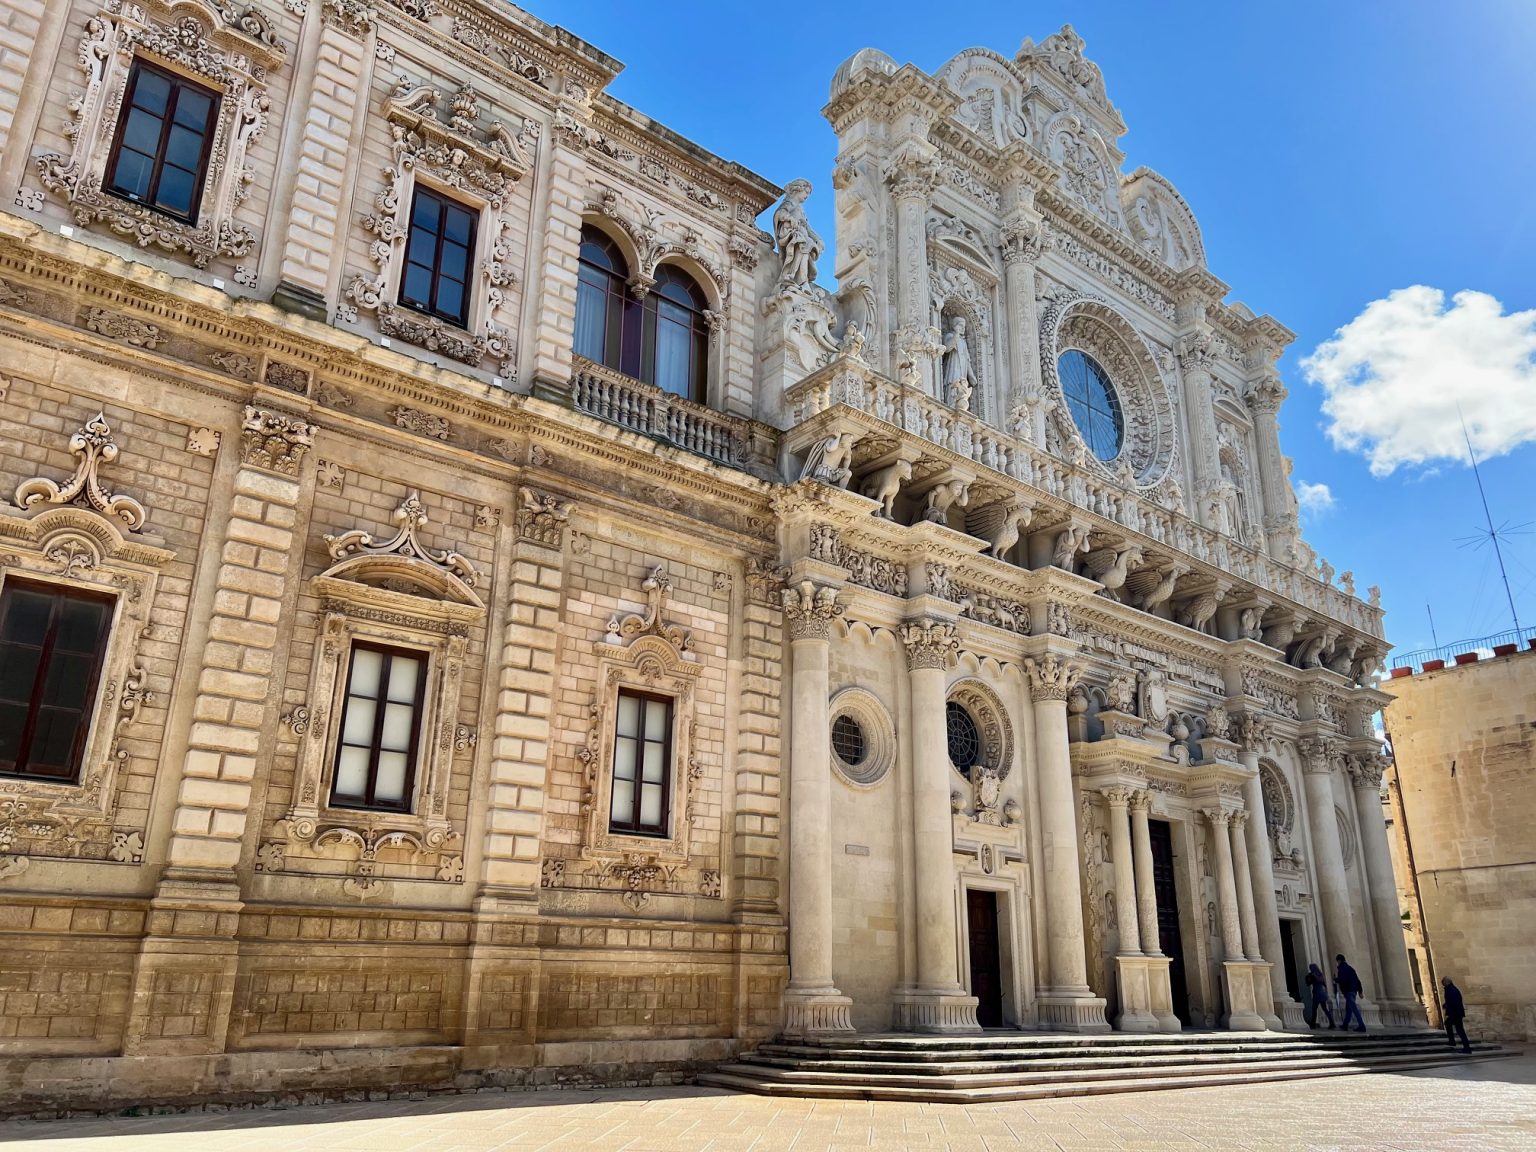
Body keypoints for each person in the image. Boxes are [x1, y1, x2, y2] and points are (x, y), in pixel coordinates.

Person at [1335, 953, 1366, 1032]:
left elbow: (1342, 980)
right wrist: (1360, 991)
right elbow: (1357, 980)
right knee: (1349, 1008)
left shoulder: (1342, 969)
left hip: (1348, 991)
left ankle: (1361, 1025)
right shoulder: (1350, 969)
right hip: (1354, 991)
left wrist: (1336, 979)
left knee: (1354, 1008)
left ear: (1339, 961)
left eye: (1337, 961)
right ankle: (1345, 1025)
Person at [1441, 977, 1472, 1054]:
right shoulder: (1451, 989)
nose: (1442, 984)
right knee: (1448, 1024)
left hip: (1455, 1013)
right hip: (1455, 1013)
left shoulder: (1451, 990)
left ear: (1446, 982)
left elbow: (1454, 1002)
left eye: (1443, 983)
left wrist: (1447, 1007)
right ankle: (1452, 1041)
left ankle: (1467, 1048)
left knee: (1460, 1030)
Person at [1304, 963, 1335, 1029]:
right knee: (1324, 1009)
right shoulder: (1320, 975)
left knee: (1314, 1009)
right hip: (1322, 993)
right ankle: (1332, 1023)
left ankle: (1313, 1024)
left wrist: (1310, 977)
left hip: (1317, 994)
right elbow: (1324, 984)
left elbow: (1308, 983)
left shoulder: (1313, 975)